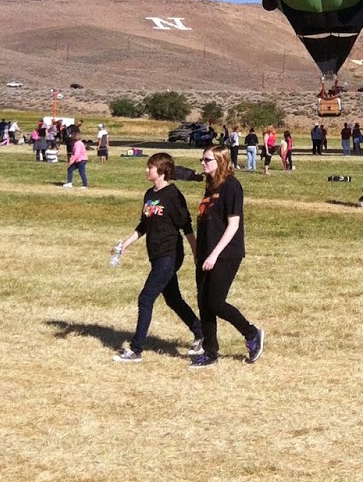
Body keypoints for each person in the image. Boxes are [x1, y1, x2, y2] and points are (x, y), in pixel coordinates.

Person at [111, 152, 203, 362]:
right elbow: (144, 225)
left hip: (170, 255)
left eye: (150, 167)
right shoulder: (149, 195)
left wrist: (196, 253)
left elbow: (186, 227)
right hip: (155, 255)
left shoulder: (173, 195)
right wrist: (125, 244)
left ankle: (136, 350)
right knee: (173, 299)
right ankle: (200, 331)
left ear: (161, 170)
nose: (146, 170)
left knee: (145, 298)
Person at [190, 147, 263, 367]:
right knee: (204, 303)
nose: (202, 163)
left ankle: (251, 333)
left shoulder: (231, 186)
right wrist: (200, 252)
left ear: (220, 161)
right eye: (202, 159)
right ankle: (210, 352)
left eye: (207, 160)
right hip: (206, 253)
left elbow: (233, 225)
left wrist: (214, 254)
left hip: (226, 253)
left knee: (215, 302)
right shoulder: (211, 186)